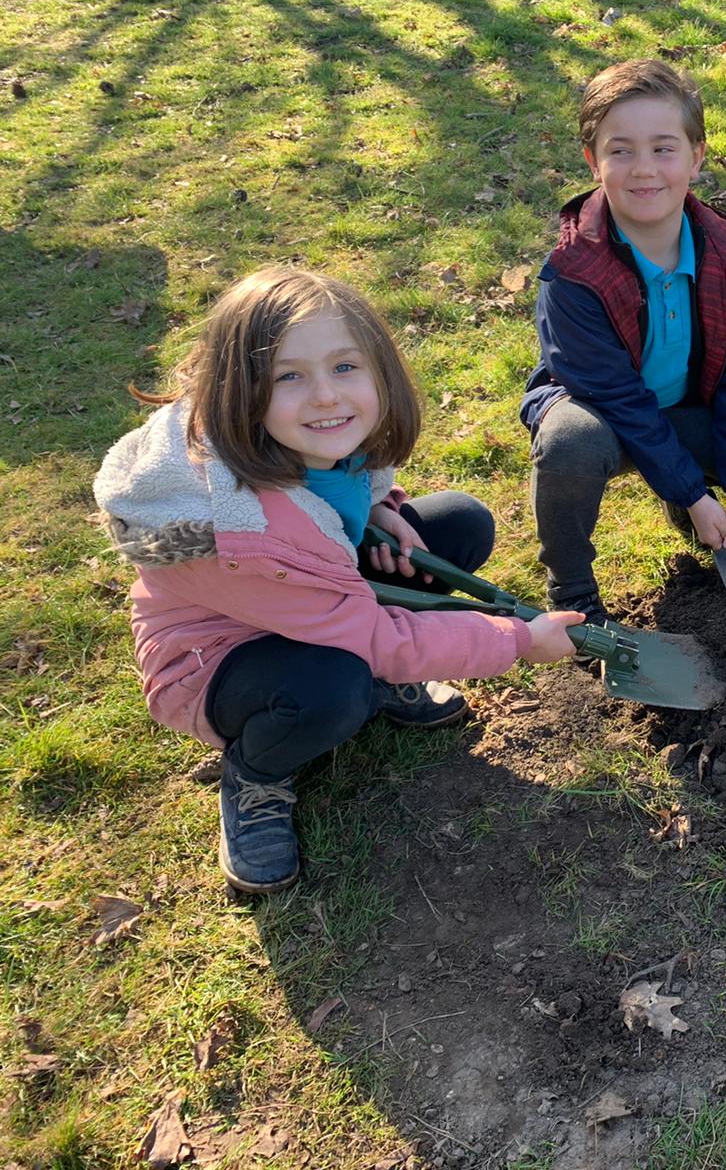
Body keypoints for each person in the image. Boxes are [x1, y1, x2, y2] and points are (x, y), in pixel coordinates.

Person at [93, 267, 585, 894]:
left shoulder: (314, 439)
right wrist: (518, 641)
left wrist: (382, 509)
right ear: (240, 392)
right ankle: (255, 773)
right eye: (288, 376)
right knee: (335, 685)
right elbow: (376, 637)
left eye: (345, 368)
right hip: (217, 657)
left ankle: (378, 683)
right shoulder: (249, 523)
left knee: (454, 524)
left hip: (314, 593)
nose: (326, 396)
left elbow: (349, 487)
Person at [520, 58, 726, 622]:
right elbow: (620, 400)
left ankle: (683, 497)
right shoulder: (575, 274)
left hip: (685, 410)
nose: (644, 169)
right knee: (569, 443)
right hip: (602, 418)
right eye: (621, 150)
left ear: (696, 156)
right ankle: (571, 591)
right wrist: (695, 492)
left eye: (664, 148)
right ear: (593, 161)